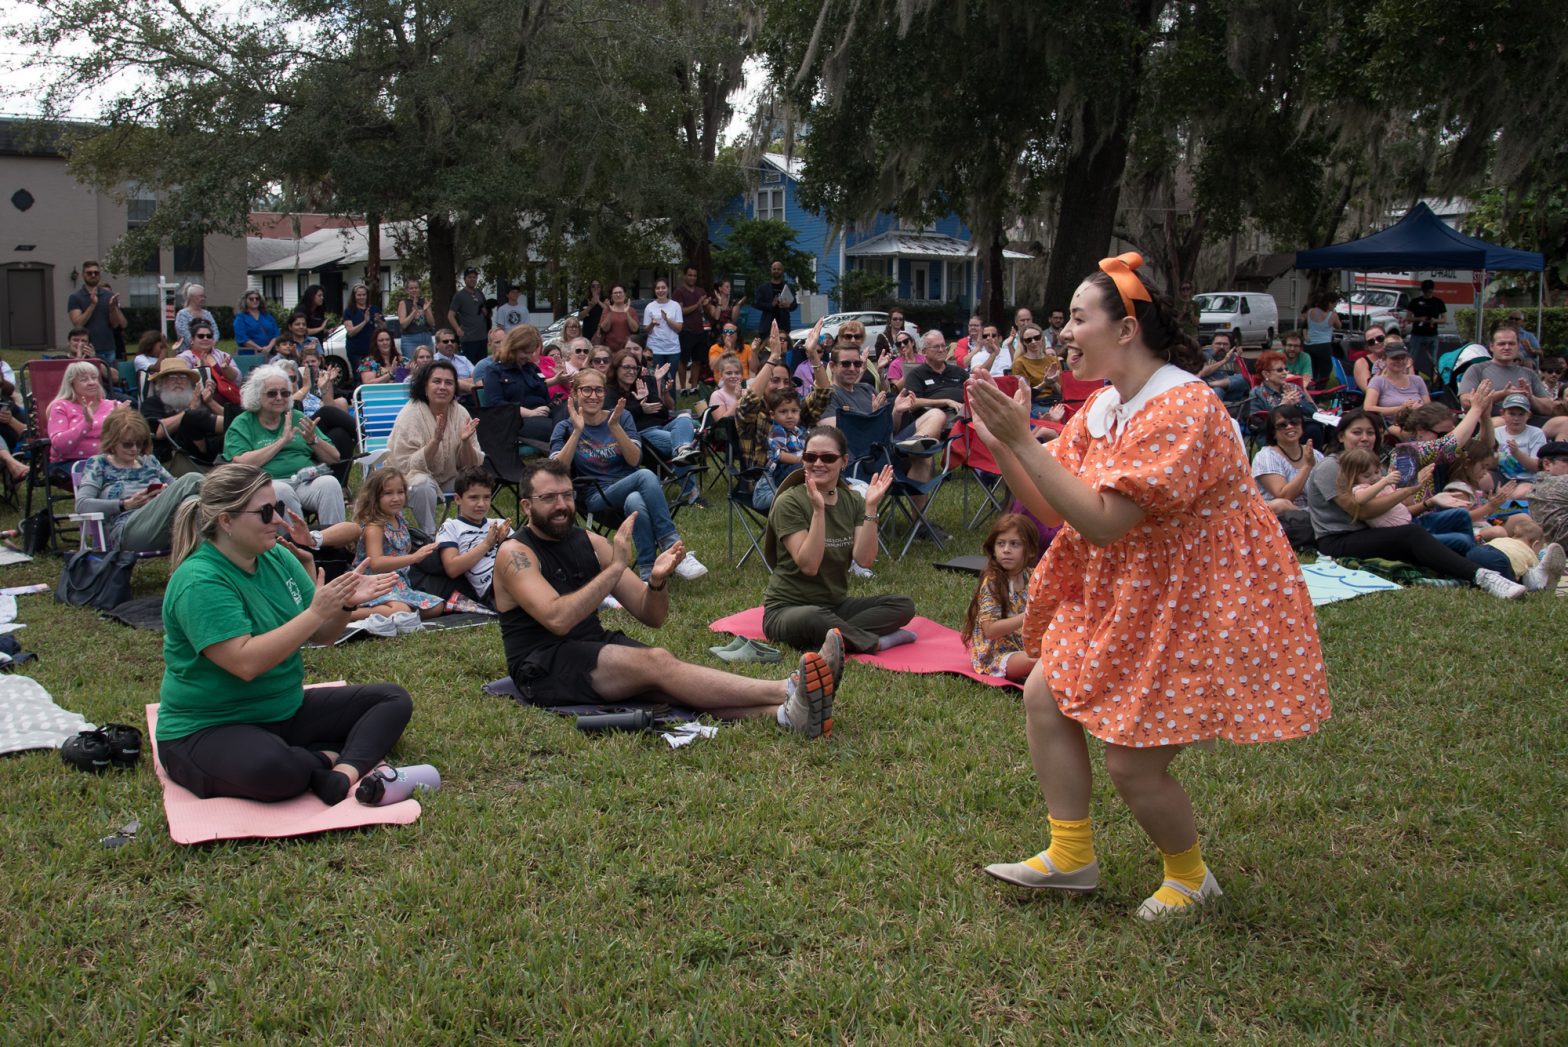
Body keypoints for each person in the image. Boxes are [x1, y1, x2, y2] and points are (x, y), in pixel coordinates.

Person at [970, 251, 1330, 919]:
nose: (1064, 332)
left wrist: (1023, 440)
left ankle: (1191, 879)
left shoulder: (1182, 406)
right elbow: (1052, 507)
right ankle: (1071, 854)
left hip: (1197, 596)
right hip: (1136, 584)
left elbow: (1103, 521)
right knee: (1045, 692)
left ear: (1126, 328)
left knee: (1133, 763)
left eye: (1078, 318)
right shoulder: (1108, 403)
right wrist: (1003, 443)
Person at [495, 459, 842, 735]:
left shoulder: (589, 542)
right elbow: (557, 619)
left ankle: (785, 715)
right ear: (526, 505)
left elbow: (652, 616)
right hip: (542, 665)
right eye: (549, 498)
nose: (561, 505)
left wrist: (657, 583)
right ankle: (788, 688)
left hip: (592, 647)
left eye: (567, 495)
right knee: (658, 663)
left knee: (670, 686)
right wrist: (616, 568)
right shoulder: (515, 553)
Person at [155, 462, 411, 803]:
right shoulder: (200, 581)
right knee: (275, 771)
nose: (277, 520)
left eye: (276, 507)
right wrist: (316, 611)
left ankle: (343, 772)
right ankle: (324, 757)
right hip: (209, 725)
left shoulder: (277, 556)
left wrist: (344, 605)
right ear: (226, 521)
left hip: (283, 709)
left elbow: (323, 635)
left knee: (392, 700)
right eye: (265, 512)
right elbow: (245, 663)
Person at [1306, 404, 1525, 597]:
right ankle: (1481, 576)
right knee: (1415, 534)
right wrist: (1410, 488)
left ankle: (1498, 572)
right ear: (1341, 436)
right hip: (1340, 539)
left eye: (1370, 432)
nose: (1365, 438)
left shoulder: (1375, 466)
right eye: (1357, 432)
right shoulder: (1332, 467)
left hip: (1383, 529)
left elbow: (1399, 509)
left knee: (1457, 523)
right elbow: (1361, 511)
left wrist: (1430, 502)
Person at [761, 425, 913, 655]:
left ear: (844, 461)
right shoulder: (789, 502)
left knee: (903, 605)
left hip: (834, 606)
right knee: (814, 617)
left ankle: (831, 637)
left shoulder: (853, 501)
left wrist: (871, 506)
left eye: (828, 458)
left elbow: (864, 560)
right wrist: (818, 511)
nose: (818, 463)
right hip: (788, 610)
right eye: (810, 457)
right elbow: (809, 565)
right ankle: (872, 642)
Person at [549, 369, 706, 582]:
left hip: (631, 488)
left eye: (599, 390)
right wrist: (577, 431)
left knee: (635, 500)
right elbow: (556, 472)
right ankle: (672, 546)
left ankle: (647, 572)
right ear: (575, 393)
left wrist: (615, 427)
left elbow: (634, 460)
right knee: (645, 475)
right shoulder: (565, 427)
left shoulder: (621, 417)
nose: (593, 396)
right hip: (597, 496)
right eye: (586, 390)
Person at [223, 363, 349, 530]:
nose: (279, 397)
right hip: (266, 485)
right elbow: (242, 463)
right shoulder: (243, 423)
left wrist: (313, 440)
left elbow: (334, 457)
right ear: (257, 395)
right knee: (281, 491)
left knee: (329, 483)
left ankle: (334, 540)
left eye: (285, 393)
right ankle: (298, 542)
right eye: (272, 393)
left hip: (305, 480)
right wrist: (281, 442)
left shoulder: (297, 417)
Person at [74, 411, 205, 551]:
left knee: (193, 500)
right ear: (112, 442)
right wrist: (125, 504)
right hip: (128, 530)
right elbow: (82, 504)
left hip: (163, 525)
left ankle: (204, 559)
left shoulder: (149, 461)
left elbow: (176, 488)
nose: (134, 449)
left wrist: (162, 494)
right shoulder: (99, 464)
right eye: (127, 444)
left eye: (139, 444)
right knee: (191, 479)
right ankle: (221, 497)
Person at [385, 358, 483, 532]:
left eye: (449, 383)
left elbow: (471, 465)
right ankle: (429, 536)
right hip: (409, 479)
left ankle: (469, 532)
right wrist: (435, 441)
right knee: (422, 485)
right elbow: (406, 465)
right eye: (437, 381)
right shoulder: (410, 415)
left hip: (448, 477)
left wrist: (465, 442)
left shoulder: (461, 413)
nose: (443, 387)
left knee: (473, 480)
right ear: (425, 386)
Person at [350, 468, 449, 619]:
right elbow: (375, 563)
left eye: (400, 492)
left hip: (399, 585)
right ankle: (346, 614)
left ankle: (397, 614)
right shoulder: (375, 527)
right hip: (374, 585)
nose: (396, 498)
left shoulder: (399, 519)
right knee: (401, 611)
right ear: (374, 497)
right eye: (388, 493)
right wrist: (414, 558)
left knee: (437, 606)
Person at [962, 513, 1039, 682]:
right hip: (997, 654)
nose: (1006, 550)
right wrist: (1028, 616)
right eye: (1001, 543)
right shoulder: (993, 582)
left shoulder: (1033, 576)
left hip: (1024, 644)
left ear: (1031, 550)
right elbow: (990, 630)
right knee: (1039, 661)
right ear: (994, 550)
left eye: (1014, 544)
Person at [437, 467, 512, 606]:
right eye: (473, 498)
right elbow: (452, 568)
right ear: (458, 499)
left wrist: (504, 542)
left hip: (519, 572)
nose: (481, 504)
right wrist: (487, 544)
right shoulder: (451, 527)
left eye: (487, 497)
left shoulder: (500, 524)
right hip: (494, 587)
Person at [477, 324, 556, 446]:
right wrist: (530, 413)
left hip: (543, 414)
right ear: (513, 347)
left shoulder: (532, 369)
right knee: (561, 429)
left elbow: (545, 397)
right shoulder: (495, 371)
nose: (529, 357)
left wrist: (553, 403)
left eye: (531, 352)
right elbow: (495, 404)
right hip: (518, 421)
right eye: (525, 352)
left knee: (573, 415)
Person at [141, 357, 226, 466]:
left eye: (183, 377)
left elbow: (226, 415)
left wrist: (210, 402)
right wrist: (189, 410)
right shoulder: (152, 403)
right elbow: (159, 432)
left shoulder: (197, 397)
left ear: (189, 382)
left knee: (231, 434)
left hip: (213, 449)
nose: (178, 381)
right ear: (161, 383)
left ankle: (241, 426)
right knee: (191, 416)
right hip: (177, 455)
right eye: (172, 377)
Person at [48, 361, 129, 475]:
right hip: (73, 463)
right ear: (71, 384)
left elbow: (132, 440)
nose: (91, 382)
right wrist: (86, 424)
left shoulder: (115, 406)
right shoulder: (61, 406)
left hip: (111, 460)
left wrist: (122, 422)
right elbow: (59, 446)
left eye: (94, 378)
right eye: (84, 379)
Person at [1459, 325, 1554, 416]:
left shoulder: (1529, 373)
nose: (1507, 347)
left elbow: (1549, 408)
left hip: (1525, 421)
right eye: (1501, 344)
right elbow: (1466, 402)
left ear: (1518, 346)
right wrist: (1501, 395)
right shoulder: (1477, 370)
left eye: (1511, 344)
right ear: (1492, 347)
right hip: (1490, 422)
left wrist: (1530, 398)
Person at [1251, 404, 1322, 517]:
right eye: (1282, 425)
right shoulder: (1266, 456)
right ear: (1273, 432)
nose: (1289, 427)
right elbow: (1284, 496)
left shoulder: (1315, 454)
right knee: (1281, 504)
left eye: (1295, 422)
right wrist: (1307, 467)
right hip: (1281, 517)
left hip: (1314, 512)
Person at [1482, 514, 1564, 592]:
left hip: (1480, 555)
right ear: (1535, 545)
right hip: (1501, 564)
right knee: (1529, 574)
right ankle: (1543, 571)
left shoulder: (1501, 539)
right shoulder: (1529, 553)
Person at [757, 388, 807, 511]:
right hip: (781, 470)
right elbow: (779, 455)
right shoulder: (778, 431)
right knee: (807, 468)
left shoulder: (799, 431)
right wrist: (802, 460)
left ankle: (844, 485)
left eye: (794, 411)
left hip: (796, 467)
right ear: (772, 415)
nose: (790, 416)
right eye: (783, 411)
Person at [67, 259, 127, 361]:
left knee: (109, 371)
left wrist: (113, 309)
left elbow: (115, 325)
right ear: (83, 275)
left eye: (96, 272)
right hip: (86, 349)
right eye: (89, 273)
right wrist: (92, 305)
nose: (93, 275)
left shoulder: (109, 295)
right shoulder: (75, 297)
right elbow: (78, 324)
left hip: (108, 348)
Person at [1339, 448, 1416, 527]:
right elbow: (1360, 499)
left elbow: (1404, 501)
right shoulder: (1361, 487)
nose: (1374, 478)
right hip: (1390, 529)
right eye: (1367, 476)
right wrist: (1384, 482)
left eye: (1377, 472)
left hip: (1407, 521)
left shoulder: (1384, 481)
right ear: (1354, 477)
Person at [1363, 337, 1429, 428]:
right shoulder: (1378, 381)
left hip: (1421, 423)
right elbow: (1368, 408)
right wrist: (1400, 408)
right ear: (1384, 359)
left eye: (1403, 358)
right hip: (1393, 426)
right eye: (1395, 358)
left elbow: (1429, 407)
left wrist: (1418, 408)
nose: (1400, 361)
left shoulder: (1417, 380)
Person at [177, 319, 243, 409]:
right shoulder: (185, 357)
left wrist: (226, 369)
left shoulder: (222, 355)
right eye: (201, 336)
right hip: (199, 403)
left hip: (228, 399)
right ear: (192, 339)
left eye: (209, 336)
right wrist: (201, 370)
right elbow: (183, 381)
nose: (205, 338)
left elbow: (238, 379)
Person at [673, 264, 711, 394]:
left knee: (697, 360)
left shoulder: (701, 291)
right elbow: (680, 311)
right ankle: (683, 388)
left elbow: (706, 310)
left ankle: (694, 387)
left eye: (694, 276)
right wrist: (697, 304)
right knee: (683, 360)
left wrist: (706, 305)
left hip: (701, 330)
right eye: (690, 275)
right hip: (685, 331)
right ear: (684, 276)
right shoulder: (679, 292)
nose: (692, 278)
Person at [1493, 392, 1547, 477]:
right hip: (1499, 477)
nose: (1516, 418)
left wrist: (1516, 452)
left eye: (1521, 414)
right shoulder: (1496, 432)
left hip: (1526, 478)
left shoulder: (1536, 433)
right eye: (1512, 414)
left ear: (1528, 415)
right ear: (1502, 414)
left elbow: (1537, 467)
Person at [642, 277, 684, 380]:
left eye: (663, 287)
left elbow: (679, 328)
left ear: (668, 289)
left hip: (672, 349)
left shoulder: (675, 306)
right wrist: (652, 324)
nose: (660, 290)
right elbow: (646, 330)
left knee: (670, 380)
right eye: (658, 288)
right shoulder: (649, 307)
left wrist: (667, 319)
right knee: (655, 380)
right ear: (654, 290)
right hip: (654, 349)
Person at [1527, 441, 1568, 546]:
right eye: (1566, 461)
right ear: (1547, 464)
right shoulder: (1562, 481)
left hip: (1547, 544)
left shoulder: (1536, 485)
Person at [1404, 279, 1446, 376]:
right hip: (1417, 334)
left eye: (1429, 291)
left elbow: (1444, 319)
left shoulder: (1438, 302)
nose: (1427, 293)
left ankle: (1433, 376)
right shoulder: (1415, 301)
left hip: (1432, 334)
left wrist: (1434, 320)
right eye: (1426, 291)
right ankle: (1409, 375)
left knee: (1433, 359)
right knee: (1412, 357)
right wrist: (1419, 319)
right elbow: (1408, 318)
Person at [448, 267, 490, 364]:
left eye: (474, 277)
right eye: (469, 277)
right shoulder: (459, 295)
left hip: (482, 337)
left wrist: (485, 311)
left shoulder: (479, 293)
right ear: (465, 279)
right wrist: (457, 329)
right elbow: (450, 315)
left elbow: (486, 312)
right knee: (469, 365)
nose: (472, 279)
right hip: (468, 338)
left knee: (482, 365)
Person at [1300, 291, 1340, 385]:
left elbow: (1305, 325)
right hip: (1323, 346)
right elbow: (1338, 326)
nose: (1334, 306)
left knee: (1311, 370)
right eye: (1334, 304)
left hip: (1309, 346)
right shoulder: (1332, 315)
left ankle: (1309, 388)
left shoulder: (1310, 311)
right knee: (1324, 372)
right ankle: (1320, 390)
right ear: (1330, 303)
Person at [1197, 330, 1247, 403]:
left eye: (1225, 344)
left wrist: (1237, 359)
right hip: (1211, 391)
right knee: (1218, 390)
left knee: (1242, 377)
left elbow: (1240, 376)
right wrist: (1224, 360)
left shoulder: (1234, 356)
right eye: (1218, 344)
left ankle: (1212, 385)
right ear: (1212, 345)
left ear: (1230, 346)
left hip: (1229, 391)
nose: (1221, 347)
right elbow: (1203, 373)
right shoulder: (1205, 355)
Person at [341, 283, 381, 368]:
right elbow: (351, 332)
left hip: (371, 349)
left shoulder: (374, 309)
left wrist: (379, 321)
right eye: (359, 295)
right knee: (359, 374)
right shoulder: (349, 311)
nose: (361, 297)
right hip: (356, 350)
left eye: (364, 295)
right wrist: (365, 321)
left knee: (373, 372)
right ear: (354, 296)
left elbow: (384, 328)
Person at [753, 260, 795, 340]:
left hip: (783, 325)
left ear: (782, 271)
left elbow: (794, 305)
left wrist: (788, 305)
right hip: (767, 325)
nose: (776, 271)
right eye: (774, 269)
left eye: (778, 269)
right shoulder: (763, 288)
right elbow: (757, 303)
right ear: (771, 270)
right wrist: (771, 305)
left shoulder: (788, 287)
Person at [173, 283, 218, 355]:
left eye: (204, 296)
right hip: (187, 354)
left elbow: (215, 331)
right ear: (191, 297)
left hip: (208, 354)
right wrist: (201, 347)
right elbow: (185, 335)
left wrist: (211, 344)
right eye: (200, 296)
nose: (203, 299)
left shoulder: (207, 314)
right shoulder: (182, 314)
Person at [397, 277, 436, 358]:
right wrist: (414, 311)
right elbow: (403, 325)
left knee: (429, 363)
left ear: (419, 289)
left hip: (426, 337)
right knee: (412, 363)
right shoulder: (403, 303)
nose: (414, 290)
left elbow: (432, 323)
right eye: (411, 288)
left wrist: (426, 310)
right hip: (410, 339)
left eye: (416, 288)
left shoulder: (424, 301)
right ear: (407, 290)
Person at [432, 328, 477, 397]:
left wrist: (459, 383)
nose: (450, 343)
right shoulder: (432, 360)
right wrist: (459, 382)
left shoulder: (463, 359)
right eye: (445, 341)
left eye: (452, 341)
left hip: (469, 397)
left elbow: (477, 378)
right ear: (437, 345)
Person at [234, 289, 280, 357]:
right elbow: (242, 338)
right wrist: (260, 349)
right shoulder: (240, 318)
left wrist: (269, 347)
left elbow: (276, 334)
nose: (254, 300)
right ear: (245, 301)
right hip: (249, 355)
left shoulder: (267, 316)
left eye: (257, 298)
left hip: (270, 352)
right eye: (251, 299)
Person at [595, 284, 640, 353]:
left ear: (625, 295)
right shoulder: (607, 310)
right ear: (611, 296)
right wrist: (610, 312)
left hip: (627, 351)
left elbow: (635, 329)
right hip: (610, 351)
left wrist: (626, 312)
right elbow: (604, 329)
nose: (618, 295)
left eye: (620, 292)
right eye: (615, 293)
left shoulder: (631, 310)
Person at [1350, 324, 1390, 391]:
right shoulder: (1361, 363)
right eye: (1371, 342)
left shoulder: (1400, 358)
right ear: (1368, 346)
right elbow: (1369, 389)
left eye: (1380, 338)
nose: (1376, 342)